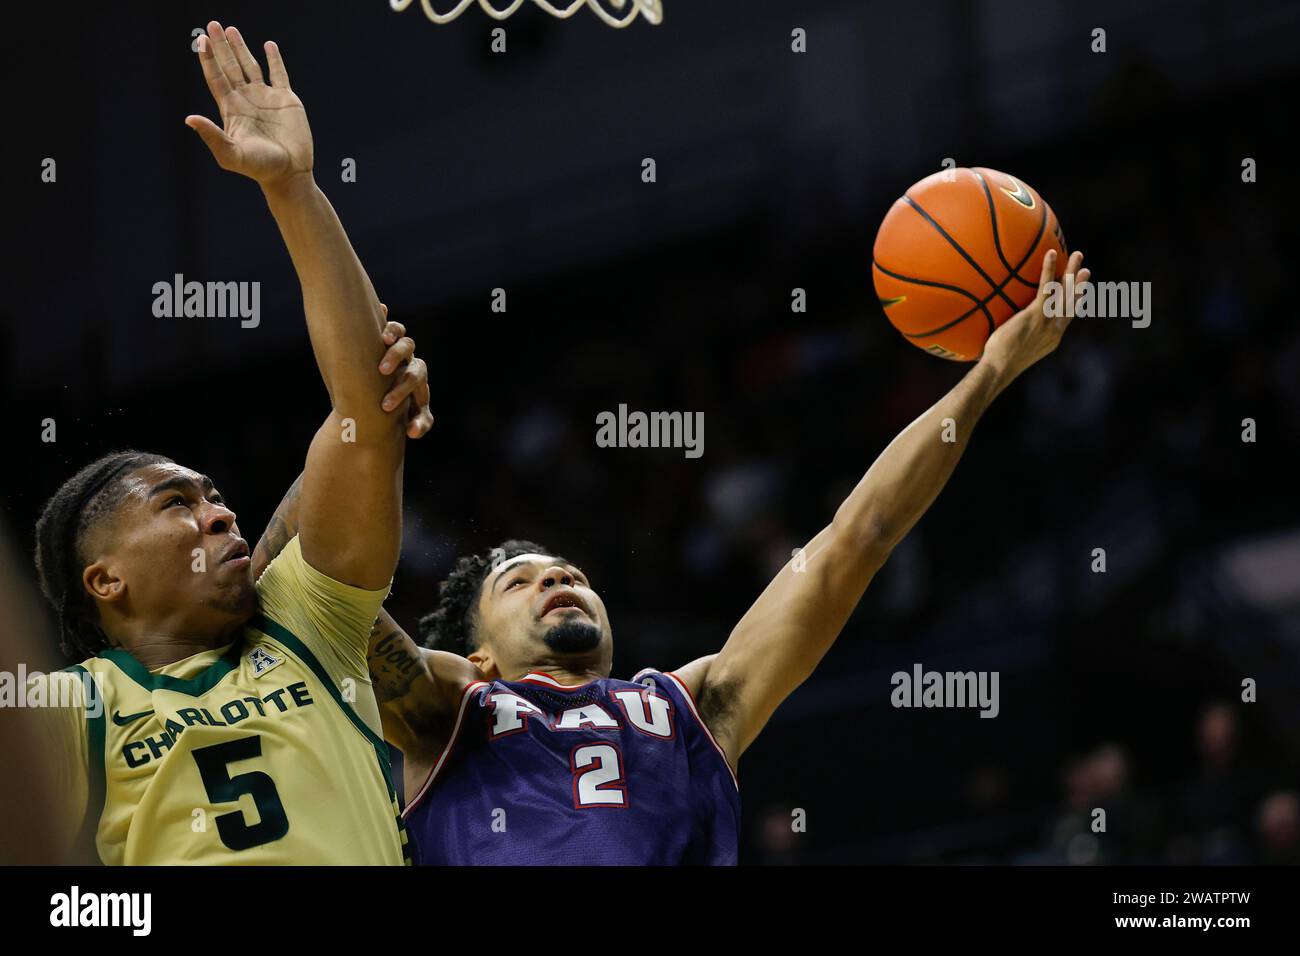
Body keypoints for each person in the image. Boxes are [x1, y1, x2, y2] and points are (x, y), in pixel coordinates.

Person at [257, 245, 1092, 863]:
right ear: (475, 656)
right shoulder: (448, 715)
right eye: (521, 582)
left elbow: (853, 542)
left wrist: (988, 373)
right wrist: (363, 411)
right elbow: (298, 586)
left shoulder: (698, 704)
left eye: (572, 573)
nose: (559, 578)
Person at [19, 21, 431, 865]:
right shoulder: (68, 708)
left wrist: (293, 190)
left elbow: (368, 405)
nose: (220, 513)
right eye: (178, 502)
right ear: (106, 579)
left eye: (212, 494)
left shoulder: (307, 628)